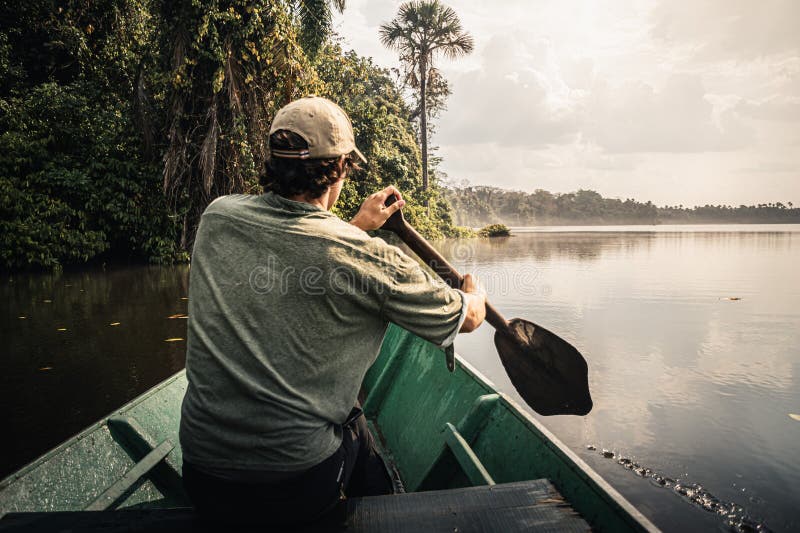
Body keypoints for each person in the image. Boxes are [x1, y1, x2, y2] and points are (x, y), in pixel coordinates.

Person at [178, 95, 487, 527]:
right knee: (355, 424)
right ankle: (383, 511)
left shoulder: (218, 217)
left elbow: (303, 253)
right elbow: (466, 318)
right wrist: (473, 294)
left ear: (274, 161)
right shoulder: (366, 257)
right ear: (339, 169)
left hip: (202, 474)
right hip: (293, 488)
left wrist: (358, 226)